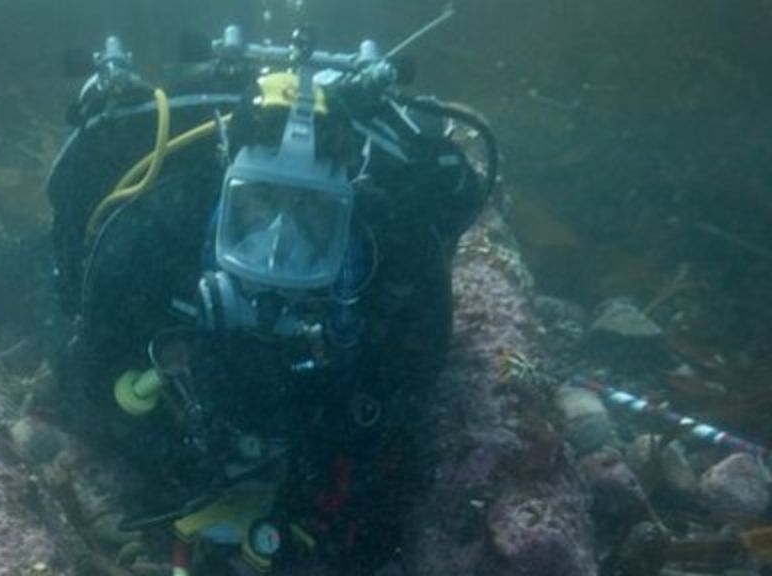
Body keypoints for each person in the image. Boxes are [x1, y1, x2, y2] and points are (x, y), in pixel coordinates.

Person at [46, 24, 495, 574]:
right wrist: (176, 453)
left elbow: (403, 405)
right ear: (223, 185)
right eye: (256, 207)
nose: (279, 246)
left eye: (313, 216)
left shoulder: (396, 259)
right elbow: (90, 370)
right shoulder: (155, 234)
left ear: (350, 205)